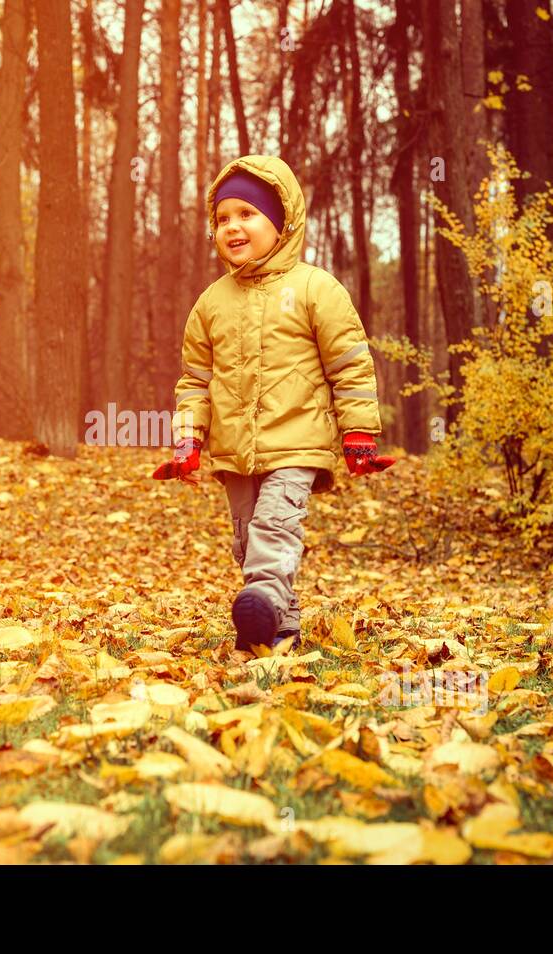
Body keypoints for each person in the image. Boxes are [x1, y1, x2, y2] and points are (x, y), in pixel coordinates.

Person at [152, 155, 395, 653]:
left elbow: (350, 364)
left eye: (247, 214)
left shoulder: (315, 289)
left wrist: (358, 433)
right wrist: (187, 441)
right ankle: (279, 623)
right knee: (246, 539)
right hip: (236, 450)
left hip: (297, 443)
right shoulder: (211, 303)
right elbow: (194, 381)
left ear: (281, 222)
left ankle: (262, 602)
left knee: (274, 527)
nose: (233, 226)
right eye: (222, 218)